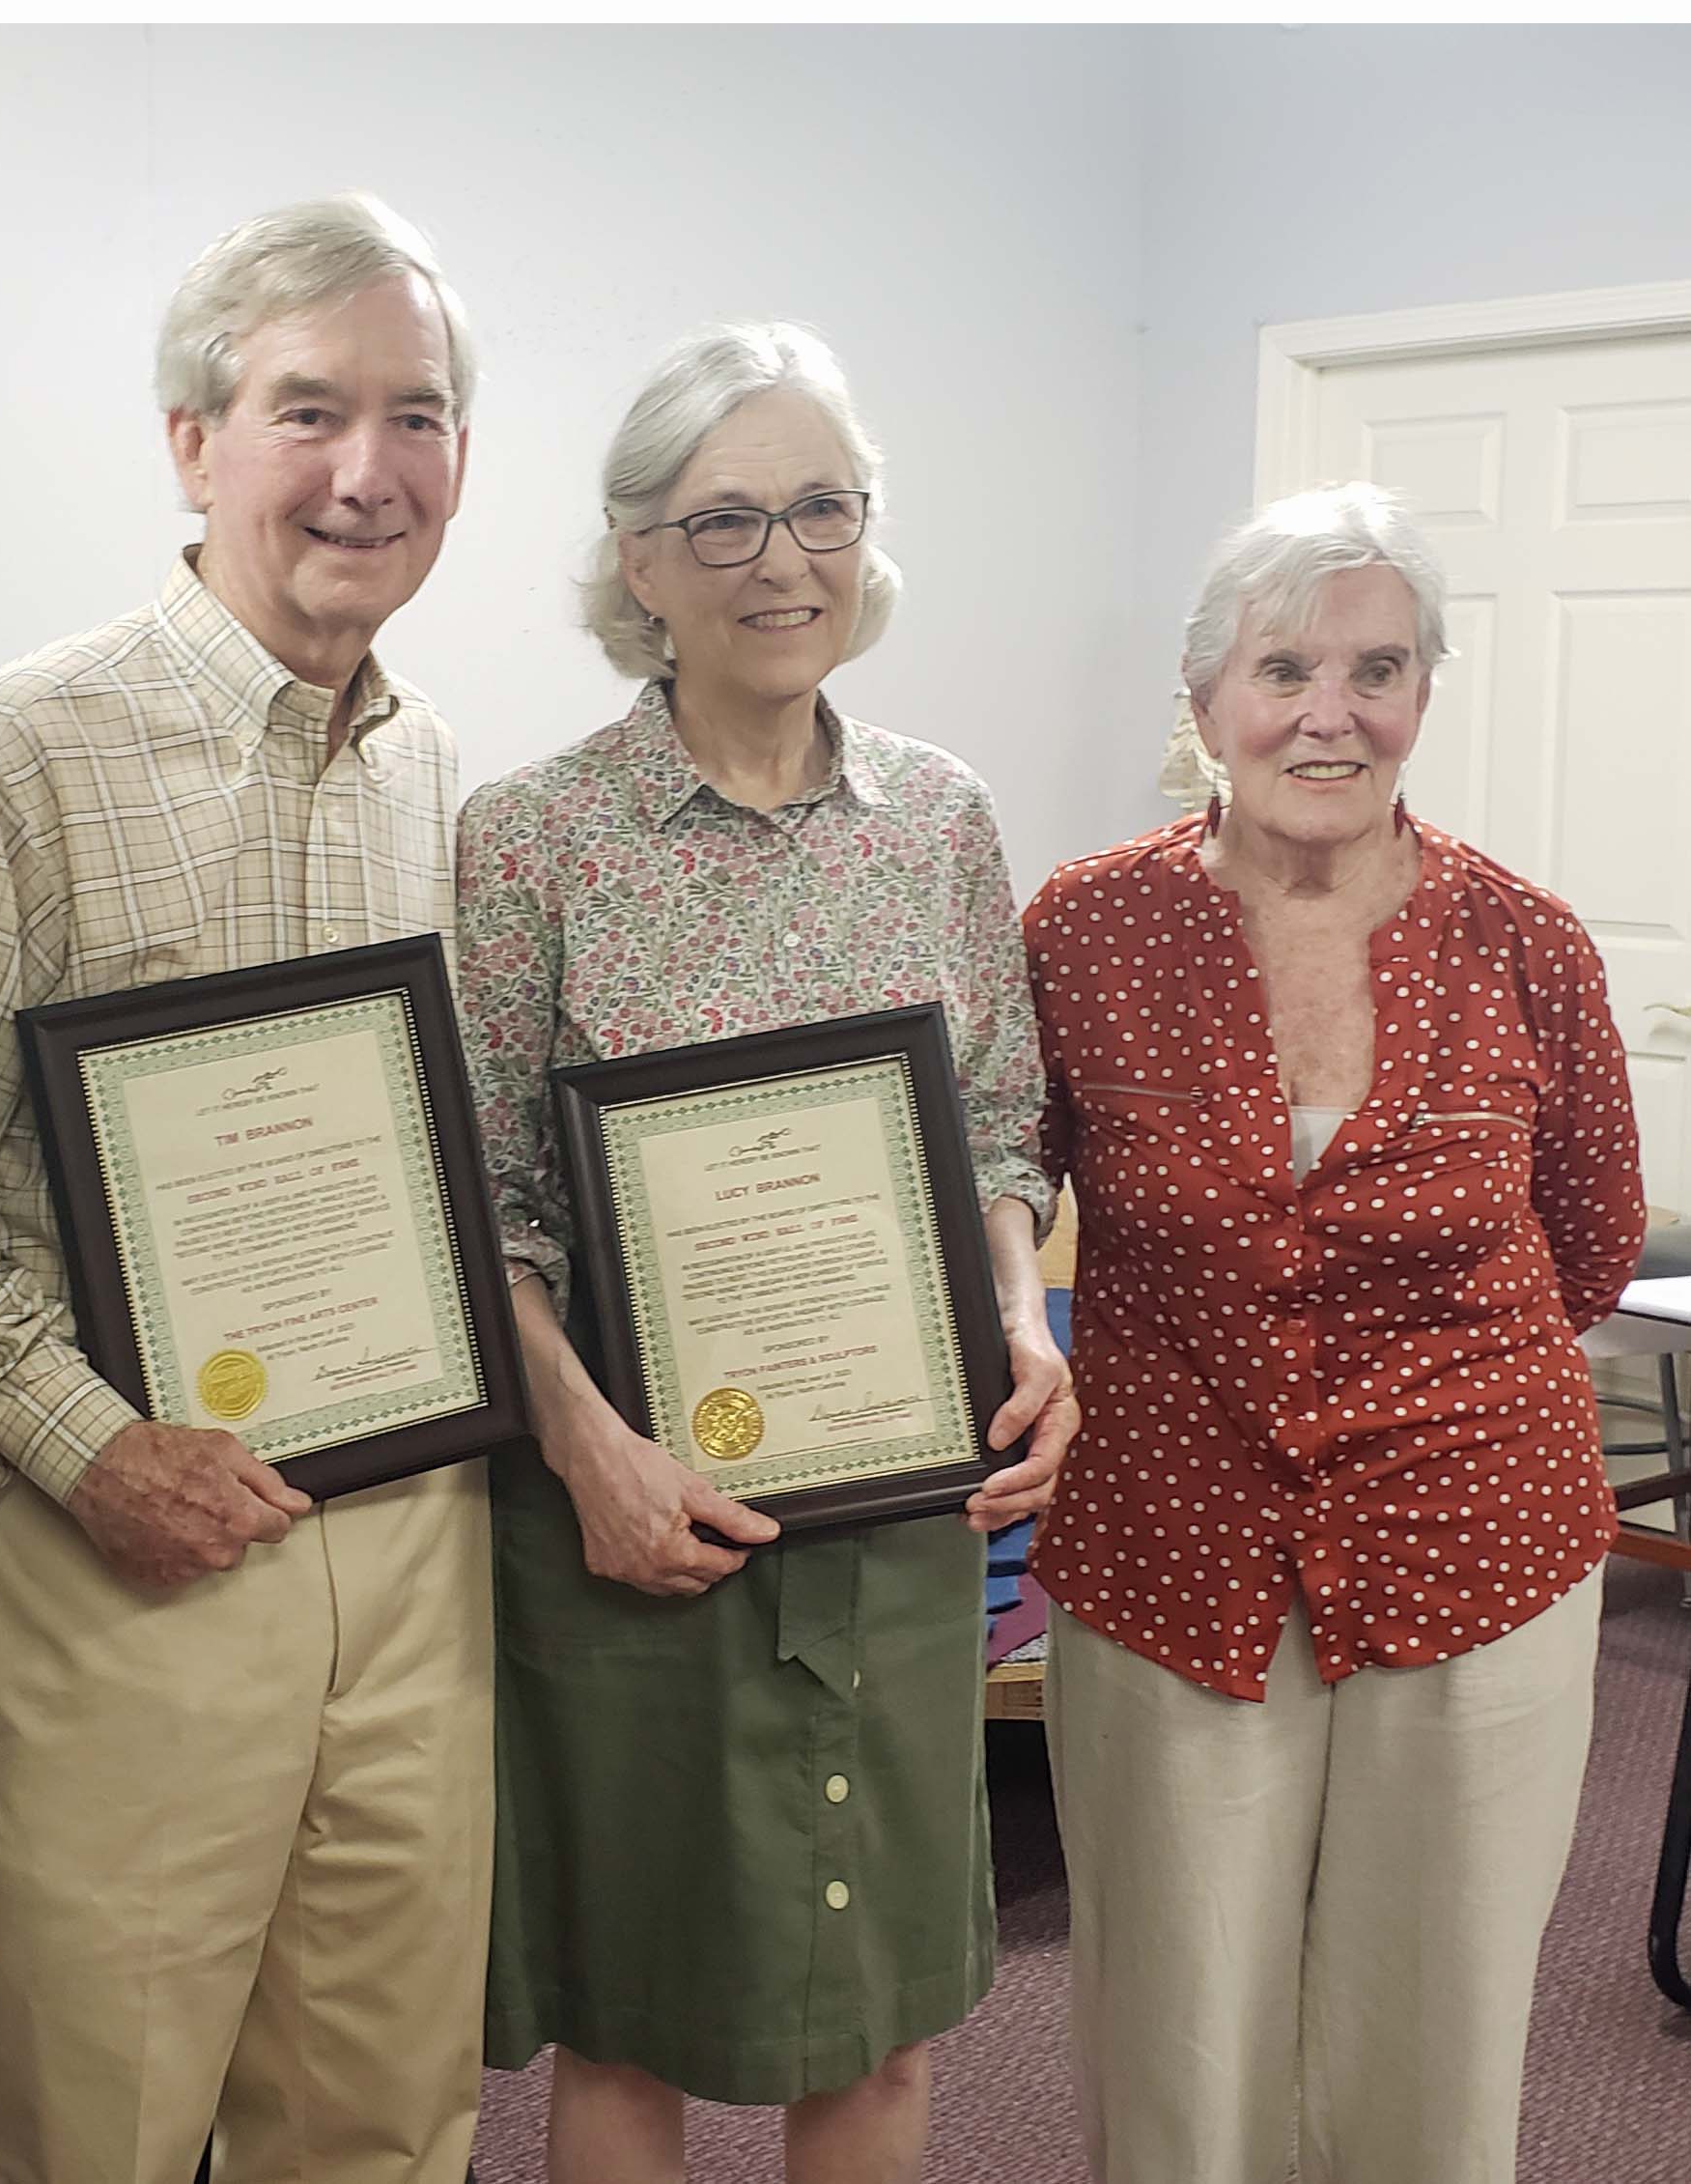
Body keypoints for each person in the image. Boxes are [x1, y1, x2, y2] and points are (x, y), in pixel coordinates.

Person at [0, 192, 488, 2184]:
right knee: (111, 2133)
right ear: (189, 441)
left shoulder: (436, 780)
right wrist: (89, 1443)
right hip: (110, 1561)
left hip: (405, 1563)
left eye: (417, 416)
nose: (364, 471)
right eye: (307, 408)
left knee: (382, 2126)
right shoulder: (11, 760)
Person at [455, 322, 1078, 2184]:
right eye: (720, 521)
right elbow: (484, 1205)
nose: (781, 561)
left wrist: (1022, 1331)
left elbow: (991, 1127)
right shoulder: (531, 840)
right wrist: (590, 1453)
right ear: (636, 560)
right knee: (627, 2021)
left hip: (884, 1506)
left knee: (874, 2026)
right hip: (634, 1509)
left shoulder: (939, 822)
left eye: (820, 509)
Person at [1026, 483, 1646, 2184]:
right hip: (1173, 1535)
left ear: (1422, 698)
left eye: (1376, 667)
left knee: (1432, 2027)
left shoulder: (1525, 943)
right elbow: (1000, 1189)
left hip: (1474, 1538)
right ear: (1204, 698)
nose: (1328, 710)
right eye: (1281, 664)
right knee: (1177, 2026)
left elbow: (1586, 1239)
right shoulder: (1078, 932)